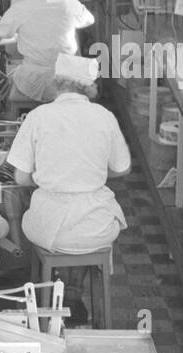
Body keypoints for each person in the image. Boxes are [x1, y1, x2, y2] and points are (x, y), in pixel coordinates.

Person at [7, 53, 131, 256]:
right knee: (97, 229)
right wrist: (89, 175)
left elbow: (21, 178)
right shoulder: (105, 116)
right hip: (96, 227)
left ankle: (57, 280)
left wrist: (50, 179)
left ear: (56, 83)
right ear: (90, 87)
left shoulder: (38, 116)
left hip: (48, 228)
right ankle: (81, 281)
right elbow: (122, 168)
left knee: (31, 218)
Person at [0, 0, 94, 106]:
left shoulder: (21, 8)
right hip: (66, 79)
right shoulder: (69, 4)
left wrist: (19, 37)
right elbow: (89, 19)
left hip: (31, 82)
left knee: (13, 77)